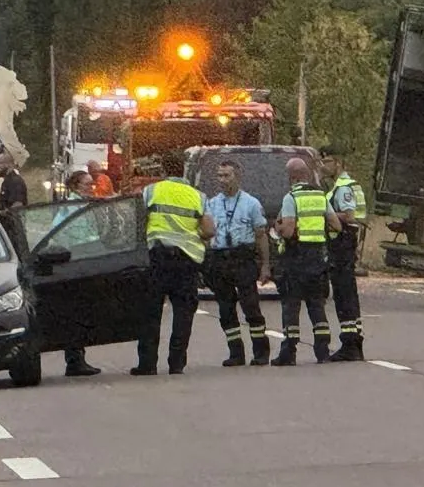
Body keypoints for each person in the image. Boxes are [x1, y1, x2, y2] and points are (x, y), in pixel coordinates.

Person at [134, 153, 215, 376]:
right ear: (184, 172)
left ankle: (147, 364)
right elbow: (209, 230)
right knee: (183, 313)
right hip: (186, 260)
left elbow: (138, 222)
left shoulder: (151, 191)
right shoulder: (198, 196)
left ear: (162, 171)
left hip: (156, 258)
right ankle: (176, 362)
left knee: (151, 312)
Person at [272, 157, 343, 365]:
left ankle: (289, 352)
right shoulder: (321, 196)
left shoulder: (291, 197)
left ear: (292, 177)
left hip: (296, 257)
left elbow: (288, 231)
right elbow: (336, 226)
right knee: (316, 305)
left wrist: (278, 227)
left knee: (291, 305)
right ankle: (322, 351)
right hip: (318, 258)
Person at [203, 159, 272, 367]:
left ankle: (260, 351)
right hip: (219, 258)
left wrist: (265, 264)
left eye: (227, 175)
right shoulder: (212, 204)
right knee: (226, 308)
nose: (222, 180)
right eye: (220, 176)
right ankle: (236, 353)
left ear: (237, 176)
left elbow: (261, 235)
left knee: (250, 307)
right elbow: (205, 234)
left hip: (242, 258)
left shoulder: (251, 203)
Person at [47, 170, 103, 378]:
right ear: (76, 186)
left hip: (78, 262)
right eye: (87, 185)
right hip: (76, 263)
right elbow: (76, 236)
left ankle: (77, 358)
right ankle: (75, 360)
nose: (91, 188)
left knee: (80, 312)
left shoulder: (77, 206)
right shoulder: (73, 208)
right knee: (77, 312)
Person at [319, 146, 368, 362]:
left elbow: (348, 215)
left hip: (343, 242)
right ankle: (353, 340)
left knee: (344, 293)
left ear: (338, 163)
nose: (323, 166)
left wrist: (326, 213)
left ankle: (350, 344)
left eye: (327, 161)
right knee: (346, 293)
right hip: (343, 243)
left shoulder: (344, 187)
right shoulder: (338, 187)